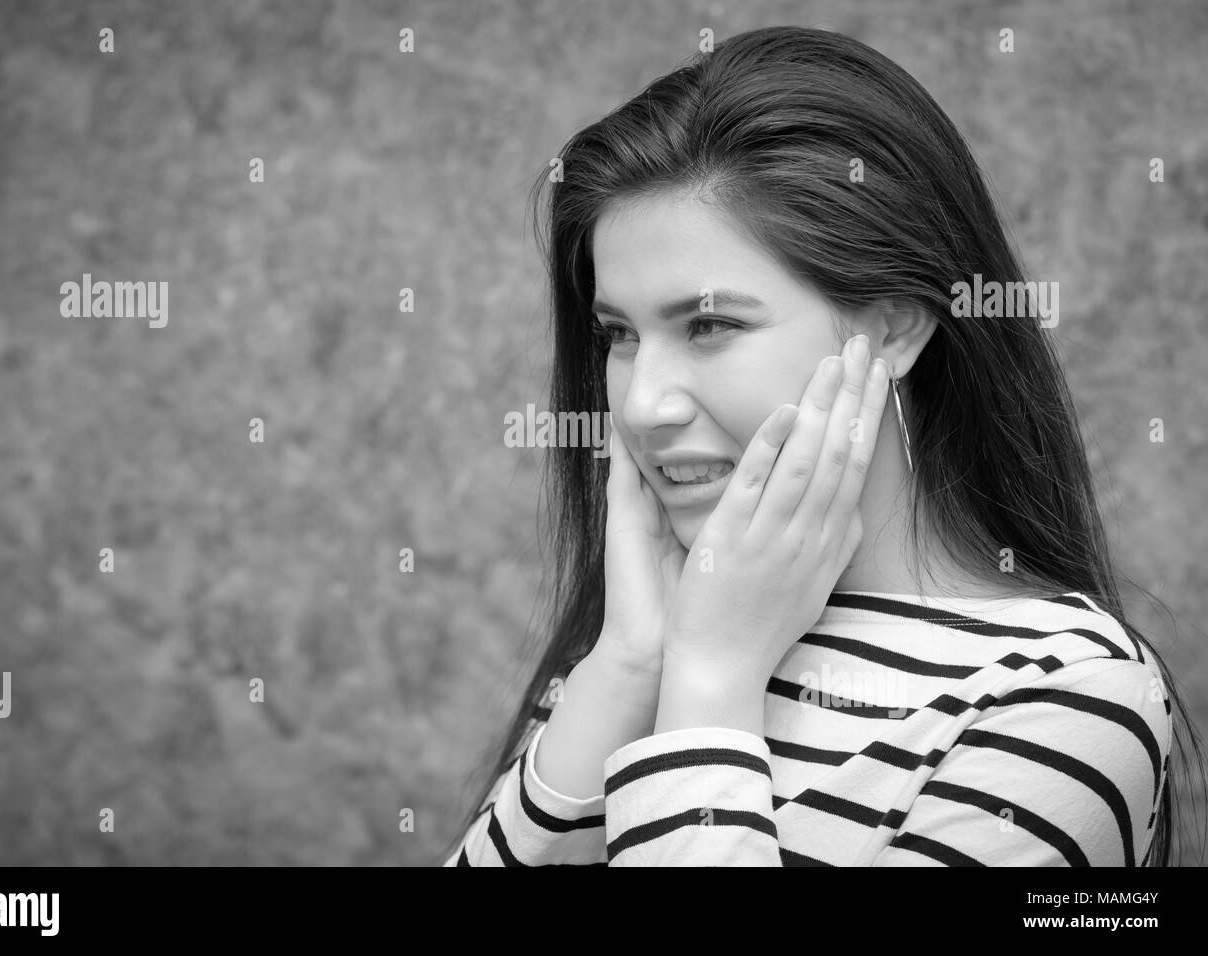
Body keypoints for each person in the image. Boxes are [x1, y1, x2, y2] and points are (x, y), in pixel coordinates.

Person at [440, 25, 1203, 866]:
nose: (643, 404)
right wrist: (628, 665)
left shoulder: (1062, 691)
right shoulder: (641, 641)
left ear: (892, 331)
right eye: (618, 334)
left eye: (710, 324)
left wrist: (710, 686)